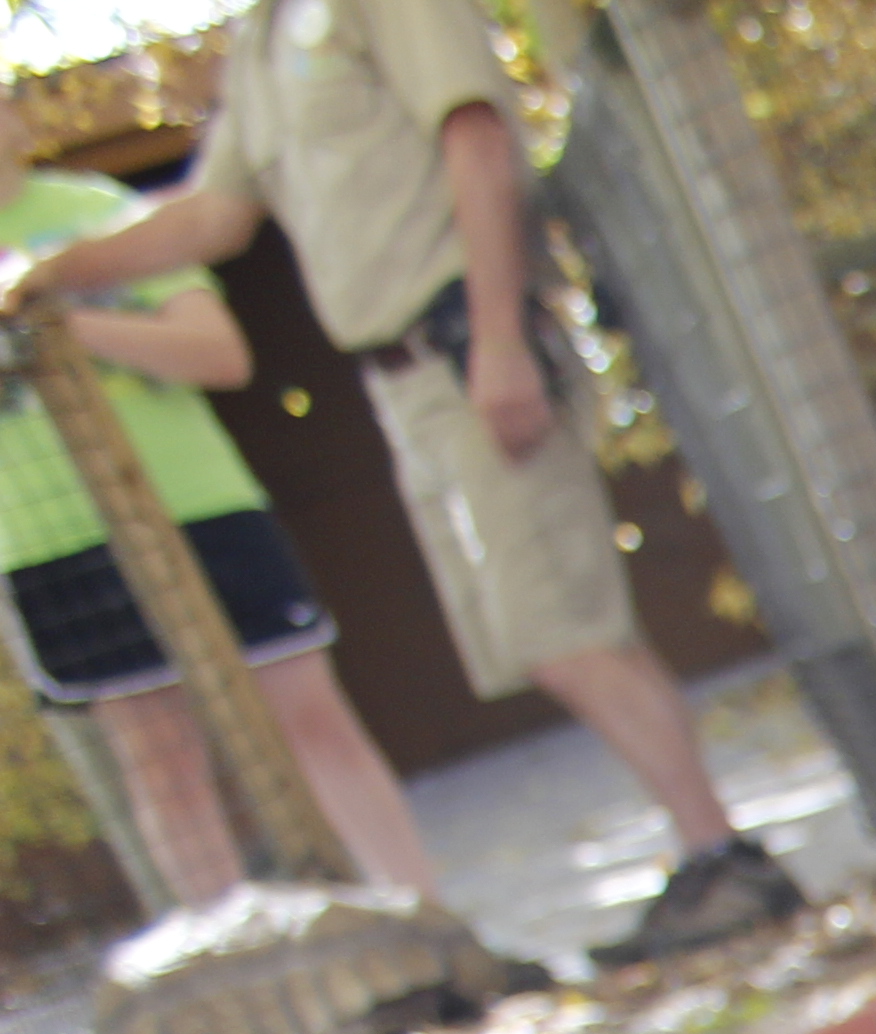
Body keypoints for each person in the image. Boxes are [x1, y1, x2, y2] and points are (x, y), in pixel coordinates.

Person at [0, 0, 801, 966]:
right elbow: (212, 214)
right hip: (398, 377)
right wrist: (45, 277)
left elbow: (474, 137)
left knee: (565, 630)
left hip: (467, 338)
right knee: (536, 633)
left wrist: (499, 335)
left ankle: (722, 857)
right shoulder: (260, 40)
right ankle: (705, 859)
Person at [0, 104, 441, 909]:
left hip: (195, 503)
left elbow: (219, 354)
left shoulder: (95, 216)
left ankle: (422, 913)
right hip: (49, 542)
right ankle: (233, 961)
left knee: (308, 718)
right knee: (159, 758)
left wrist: (60, 324)